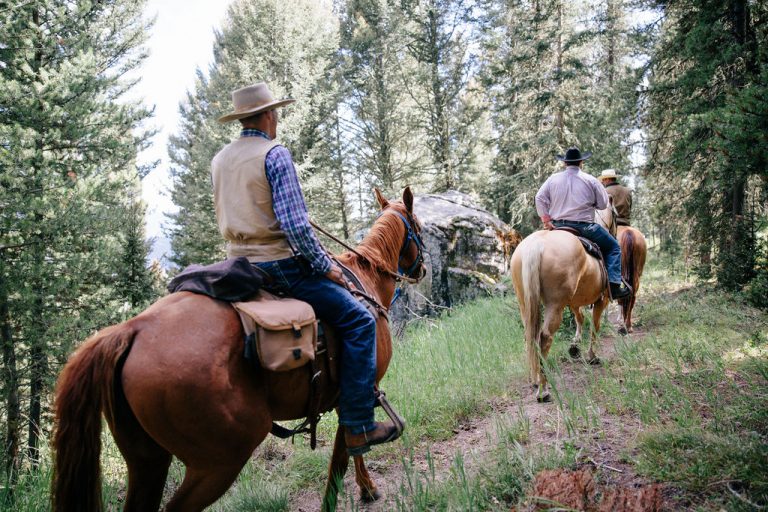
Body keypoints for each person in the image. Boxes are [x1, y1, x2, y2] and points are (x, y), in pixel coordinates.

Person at [211, 82, 401, 455]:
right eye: (276, 113)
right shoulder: (274, 153)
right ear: (269, 115)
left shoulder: (221, 159)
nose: (276, 119)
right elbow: (295, 228)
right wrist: (323, 266)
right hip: (279, 265)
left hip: (238, 265)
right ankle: (360, 424)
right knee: (361, 320)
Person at [535, 147, 631, 299]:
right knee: (613, 248)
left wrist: (546, 220)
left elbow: (539, 198)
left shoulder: (553, 179)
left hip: (558, 226)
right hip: (585, 227)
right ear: (581, 162)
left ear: (565, 163)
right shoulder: (591, 180)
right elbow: (602, 204)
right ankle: (614, 287)